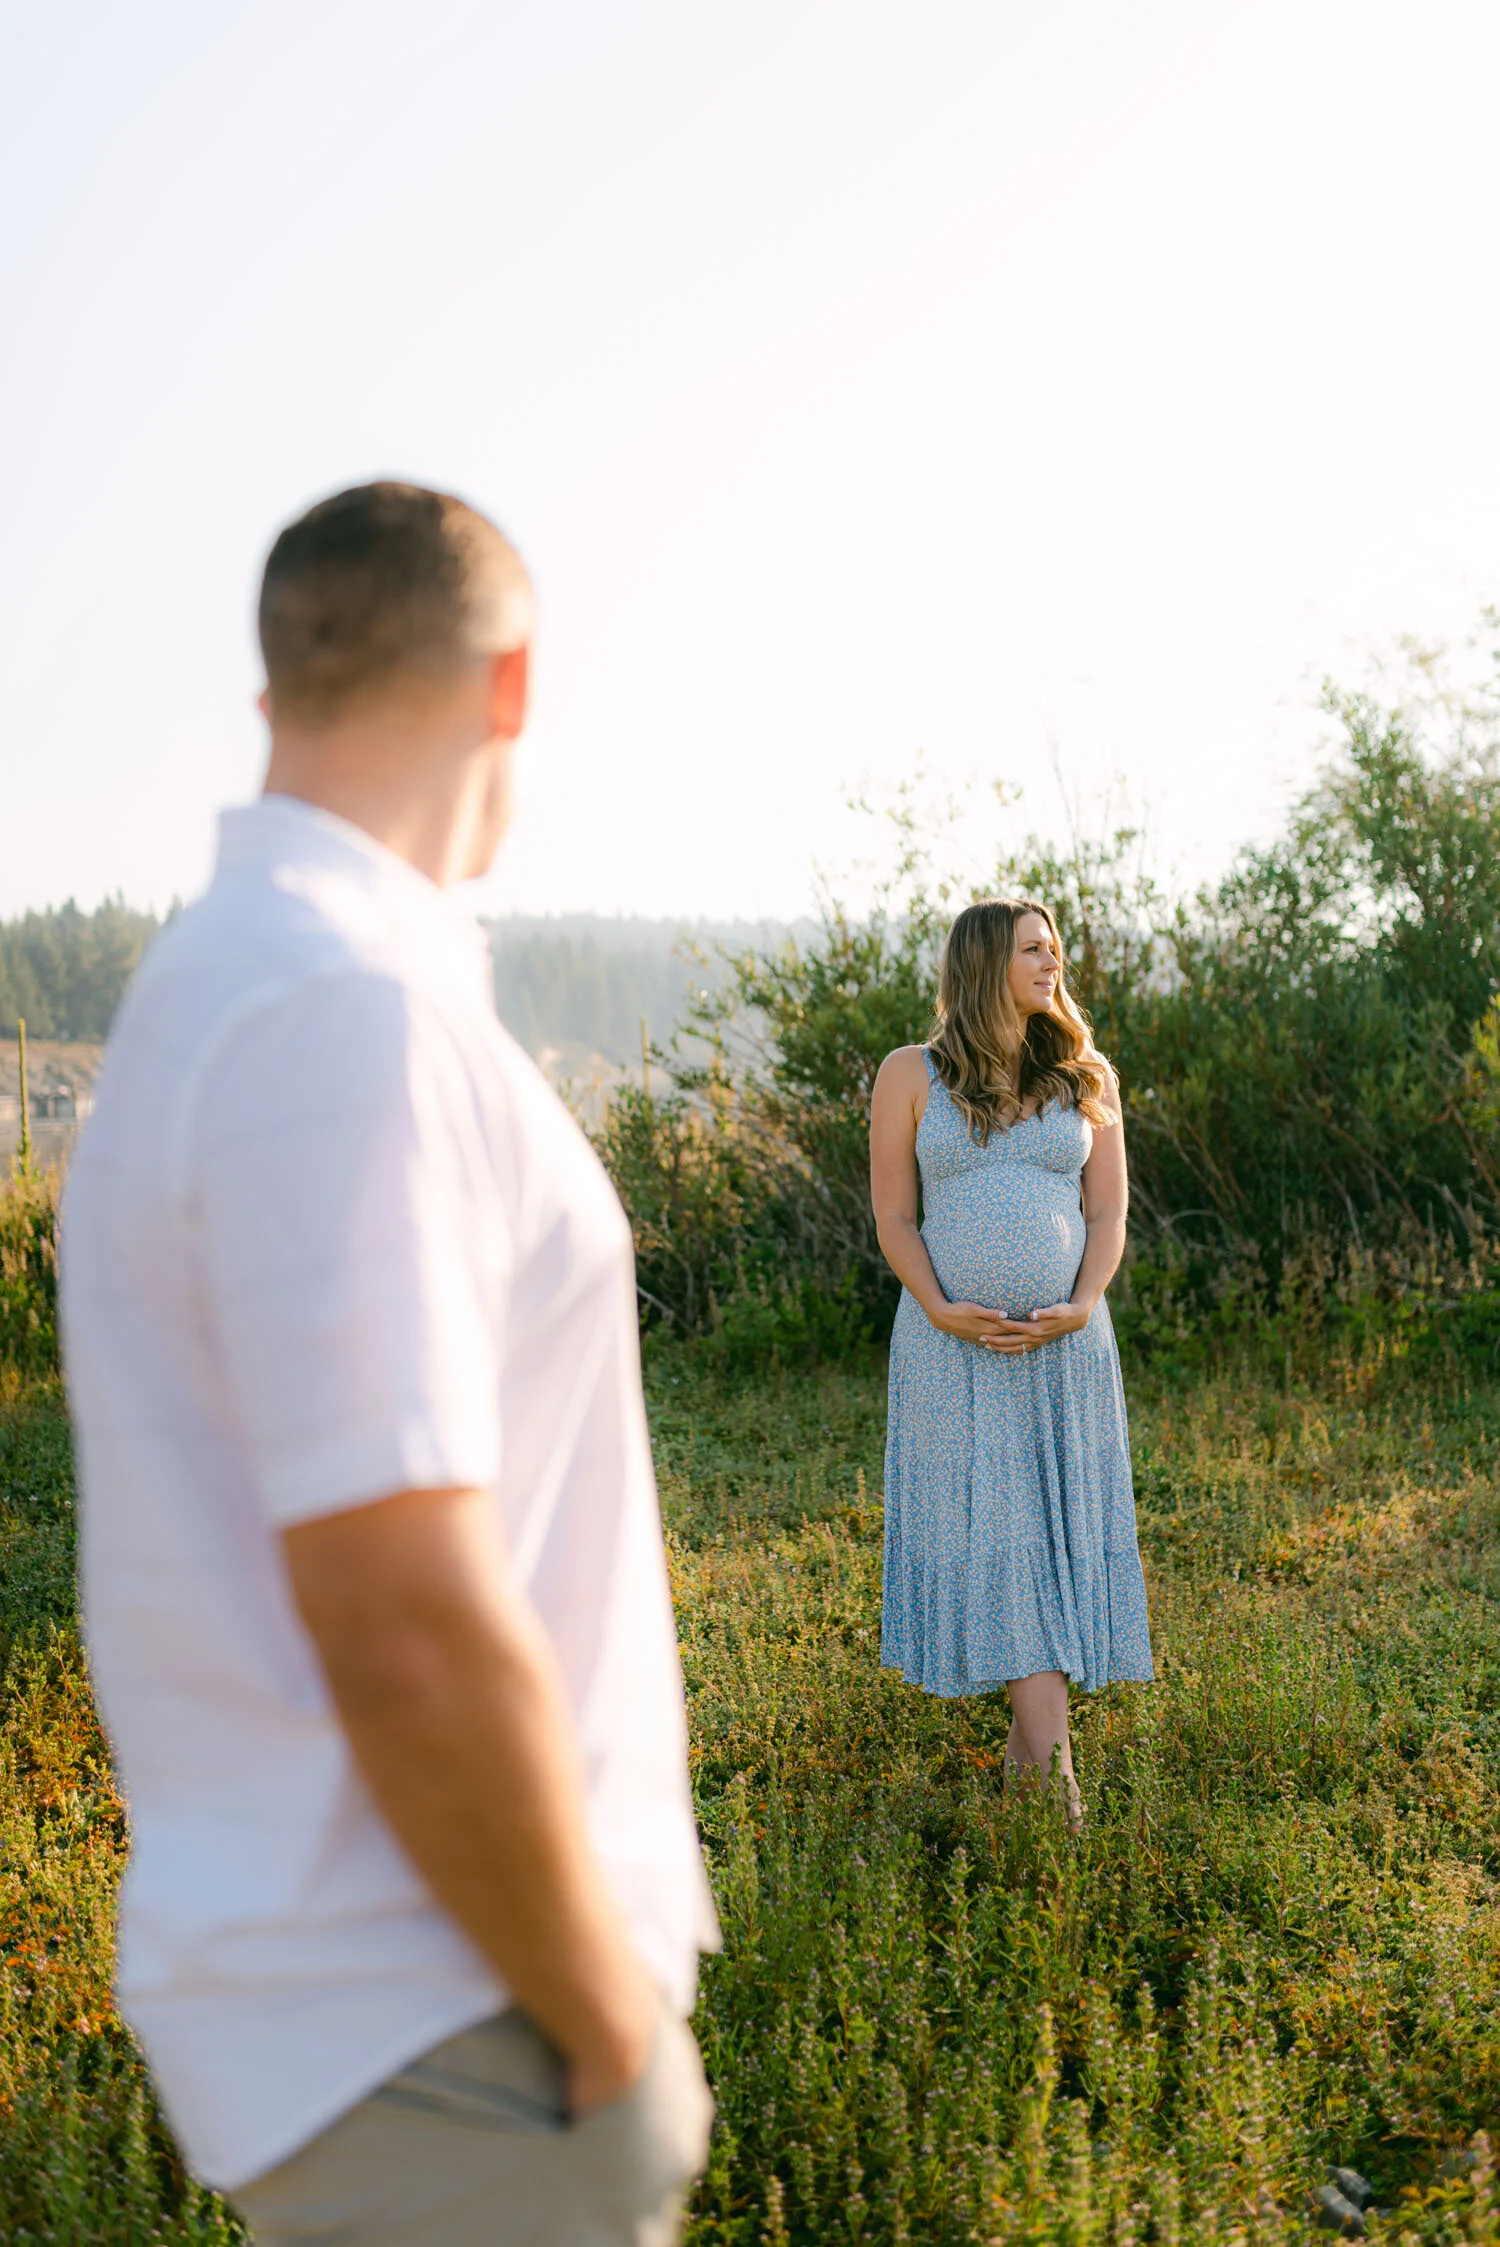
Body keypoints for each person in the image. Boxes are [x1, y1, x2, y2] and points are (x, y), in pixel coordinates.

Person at [61, 482, 720, 2246]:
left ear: (276, 694)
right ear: (510, 686)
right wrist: (601, 2018)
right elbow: (401, 1610)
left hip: (403, 2016)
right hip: (452, 2018)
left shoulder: (236, 982)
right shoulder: (339, 1003)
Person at [868, 897, 1154, 1829]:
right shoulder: (910, 1074)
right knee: (1004, 1544)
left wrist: (1082, 1303)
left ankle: (1030, 1770)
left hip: (1066, 1349)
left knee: (1048, 1546)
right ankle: (1056, 1788)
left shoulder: (1084, 1074)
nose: (1051, 962)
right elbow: (895, 1217)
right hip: (955, 1353)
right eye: (1033, 949)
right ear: (985, 961)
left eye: (1055, 949)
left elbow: (1108, 1213)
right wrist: (939, 1305)